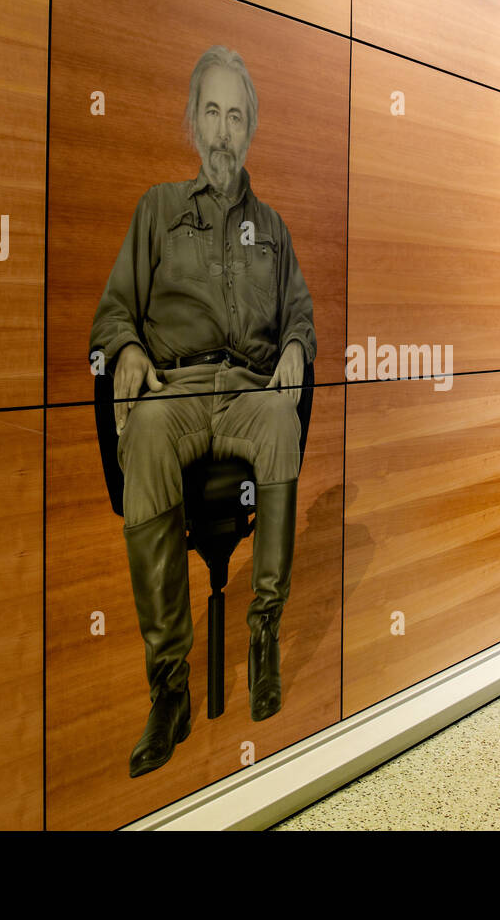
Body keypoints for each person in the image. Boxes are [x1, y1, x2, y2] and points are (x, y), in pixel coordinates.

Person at [89, 45, 315, 779]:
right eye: (212, 113)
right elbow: (113, 312)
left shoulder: (272, 228)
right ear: (193, 121)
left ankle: (264, 634)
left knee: (281, 421)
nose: (223, 130)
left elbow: (301, 313)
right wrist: (126, 349)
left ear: (251, 130)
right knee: (147, 436)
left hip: (248, 389)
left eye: (236, 116)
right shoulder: (157, 210)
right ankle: (170, 686)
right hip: (177, 390)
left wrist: (296, 347)